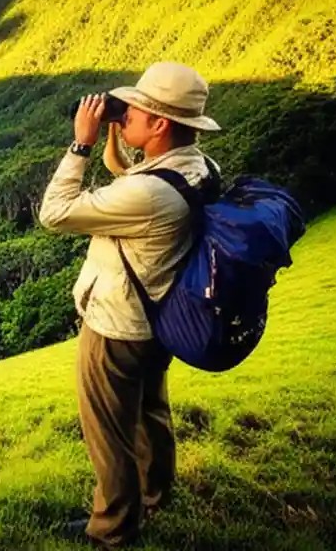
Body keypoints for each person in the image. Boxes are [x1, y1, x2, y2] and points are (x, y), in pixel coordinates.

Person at [37, 61, 222, 547]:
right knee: (149, 413)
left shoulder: (147, 193)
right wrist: (117, 133)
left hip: (116, 327)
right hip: (159, 319)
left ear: (160, 125)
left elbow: (54, 214)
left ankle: (114, 529)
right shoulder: (195, 167)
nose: (127, 113)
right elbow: (129, 172)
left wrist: (81, 144)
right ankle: (156, 493)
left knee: (109, 433)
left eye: (137, 111)